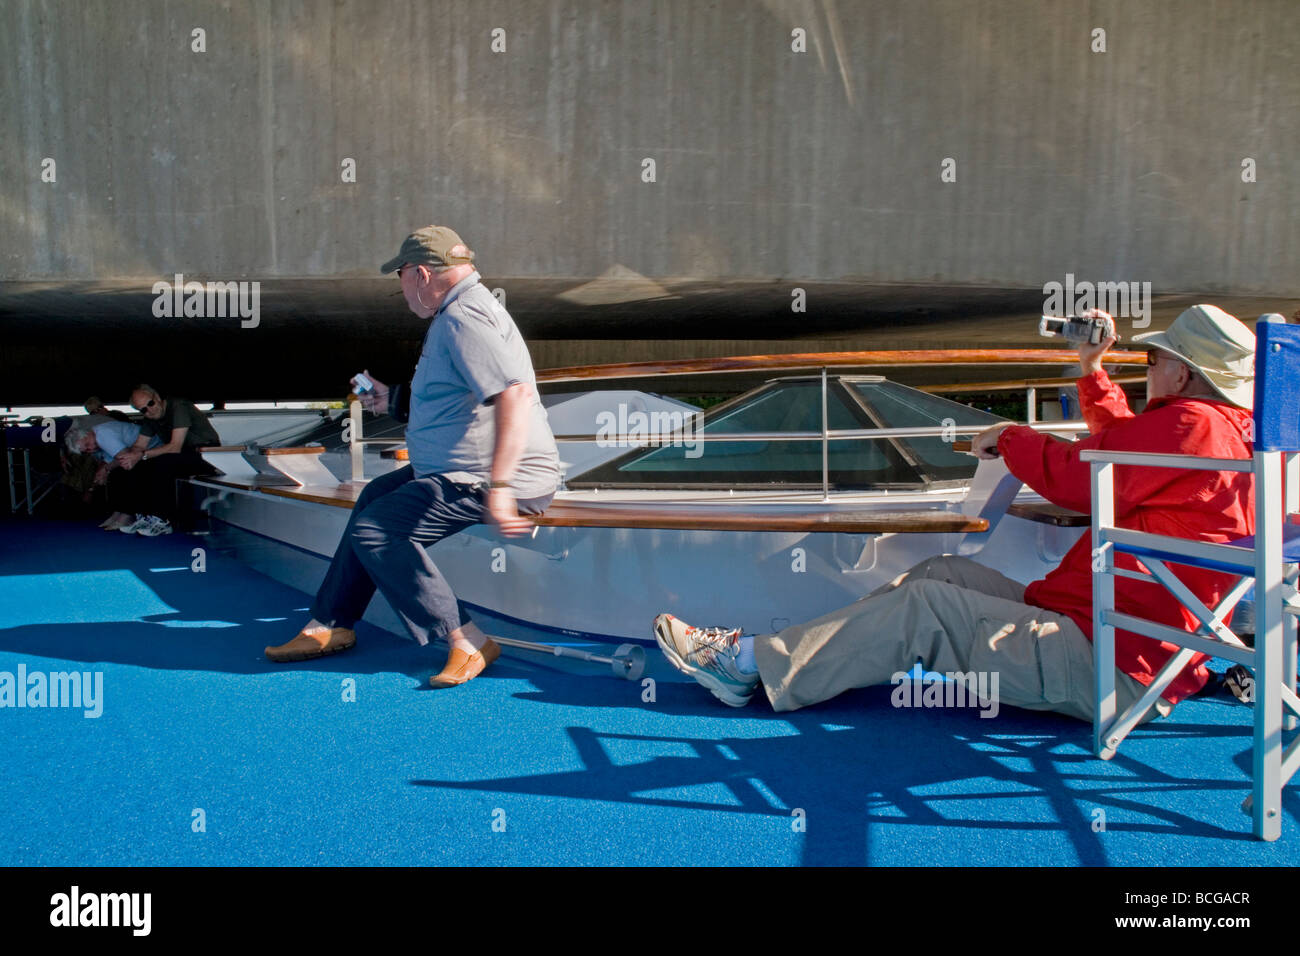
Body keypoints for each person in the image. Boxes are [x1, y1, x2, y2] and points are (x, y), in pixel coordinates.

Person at [656, 305, 1257, 723]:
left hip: (1112, 663)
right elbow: (1123, 452)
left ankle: (749, 663)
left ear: (1183, 372)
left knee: (928, 608)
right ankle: (793, 655)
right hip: (1117, 636)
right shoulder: (1225, 433)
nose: (1147, 366)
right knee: (942, 573)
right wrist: (1091, 368)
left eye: (1152, 358)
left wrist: (1012, 438)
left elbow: (1086, 476)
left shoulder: (1193, 426)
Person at [264, 225, 560, 689]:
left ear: (420, 273)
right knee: (372, 499)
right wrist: (394, 400)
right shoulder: (456, 312)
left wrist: (501, 488)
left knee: (377, 530)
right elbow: (457, 395)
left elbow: (515, 396)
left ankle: (466, 638)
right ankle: (330, 623)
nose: (400, 287)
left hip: (495, 478)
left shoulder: (466, 317)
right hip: (453, 470)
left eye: (399, 276)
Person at [107, 385, 221, 535]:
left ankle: (162, 519)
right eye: (143, 410)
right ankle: (144, 515)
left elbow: (175, 446)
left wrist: (141, 455)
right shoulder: (149, 417)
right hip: (182, 454)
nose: (149, 410)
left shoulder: (178, 406)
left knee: (163, 465)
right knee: (139, 467)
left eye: (151, 404)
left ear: (158, 398)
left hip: (207, 454)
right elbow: (139, 445)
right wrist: (129, 458)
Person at [64, 418, 163, 530]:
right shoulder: (98, 437)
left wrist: (105, 469)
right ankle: (118, 512)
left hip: (155, 450)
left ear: (87, 434)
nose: (91, 449)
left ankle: (127, 513)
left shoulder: (103, 436)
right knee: (114, 474)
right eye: (86, 450)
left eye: (87, 444)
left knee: (124, 472)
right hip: (142, 453)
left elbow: (126, 458)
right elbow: (111, 459)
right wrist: (103, 472)